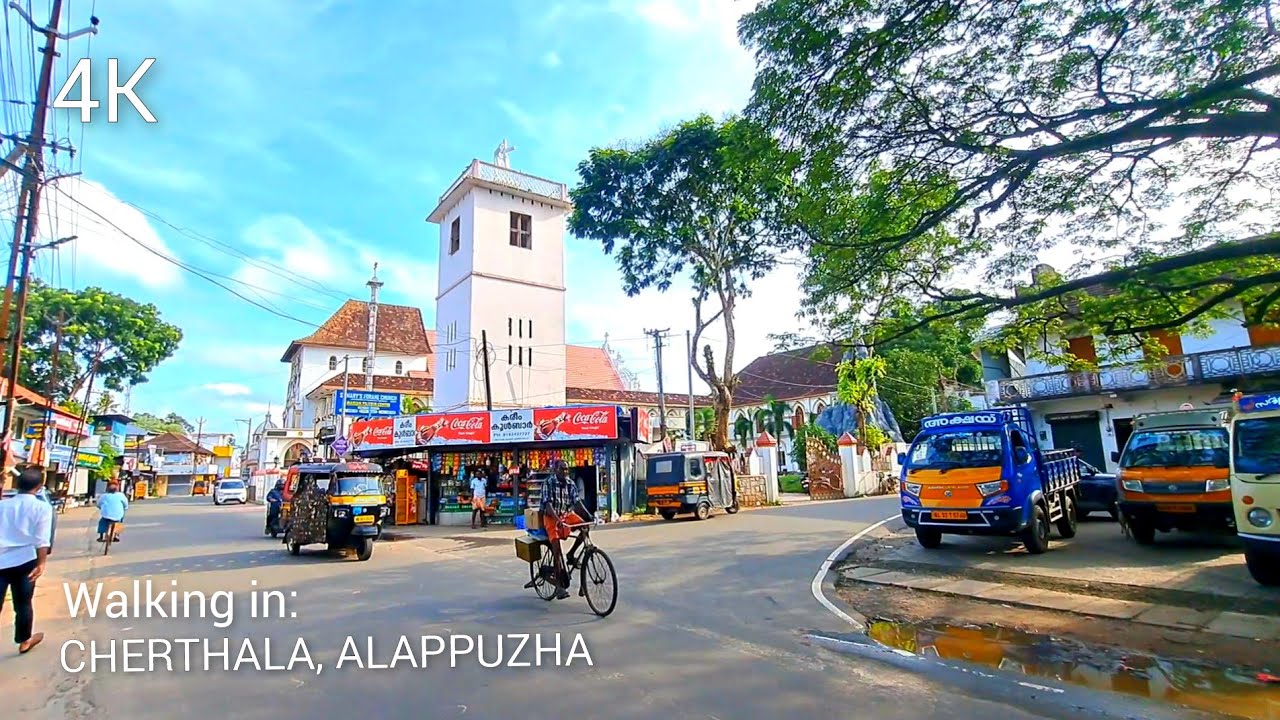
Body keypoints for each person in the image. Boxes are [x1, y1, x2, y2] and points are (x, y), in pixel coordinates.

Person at [0, 465, 53, 653]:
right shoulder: (42, 508)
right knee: (22, 603)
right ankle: (24, 641)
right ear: (39, 487)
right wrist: (41, 563)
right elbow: (42, 540)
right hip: (25, 561)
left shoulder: (2, 505)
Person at [541, 460, 583, 600]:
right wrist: (558, 520)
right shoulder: (548, 482)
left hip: (565, 514)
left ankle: (571, 554)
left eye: (566, 469)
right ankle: (559, 586)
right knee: (556, 550)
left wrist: (588, 515)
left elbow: (576, 502)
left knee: (585, 527)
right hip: (551, 517)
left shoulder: (570, 483)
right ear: (555, 470)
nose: (565, 472)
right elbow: (547, 504)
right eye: (562, 469)